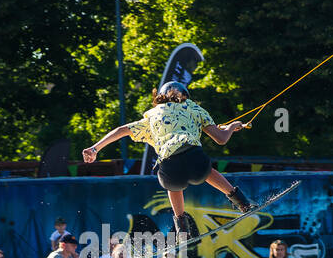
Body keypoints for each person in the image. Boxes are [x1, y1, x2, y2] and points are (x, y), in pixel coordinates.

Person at [82, 81, 253, 241]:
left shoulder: (152, 116)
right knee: (208, 171)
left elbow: (121, 130)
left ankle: (182, 228)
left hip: (170, 168)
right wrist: (231, 127)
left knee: (173, 186)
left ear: (160, 97)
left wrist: (95, 148)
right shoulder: (193, 108)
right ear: (185, 96)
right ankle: (242, 203)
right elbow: (221, 139)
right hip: (196, 161)